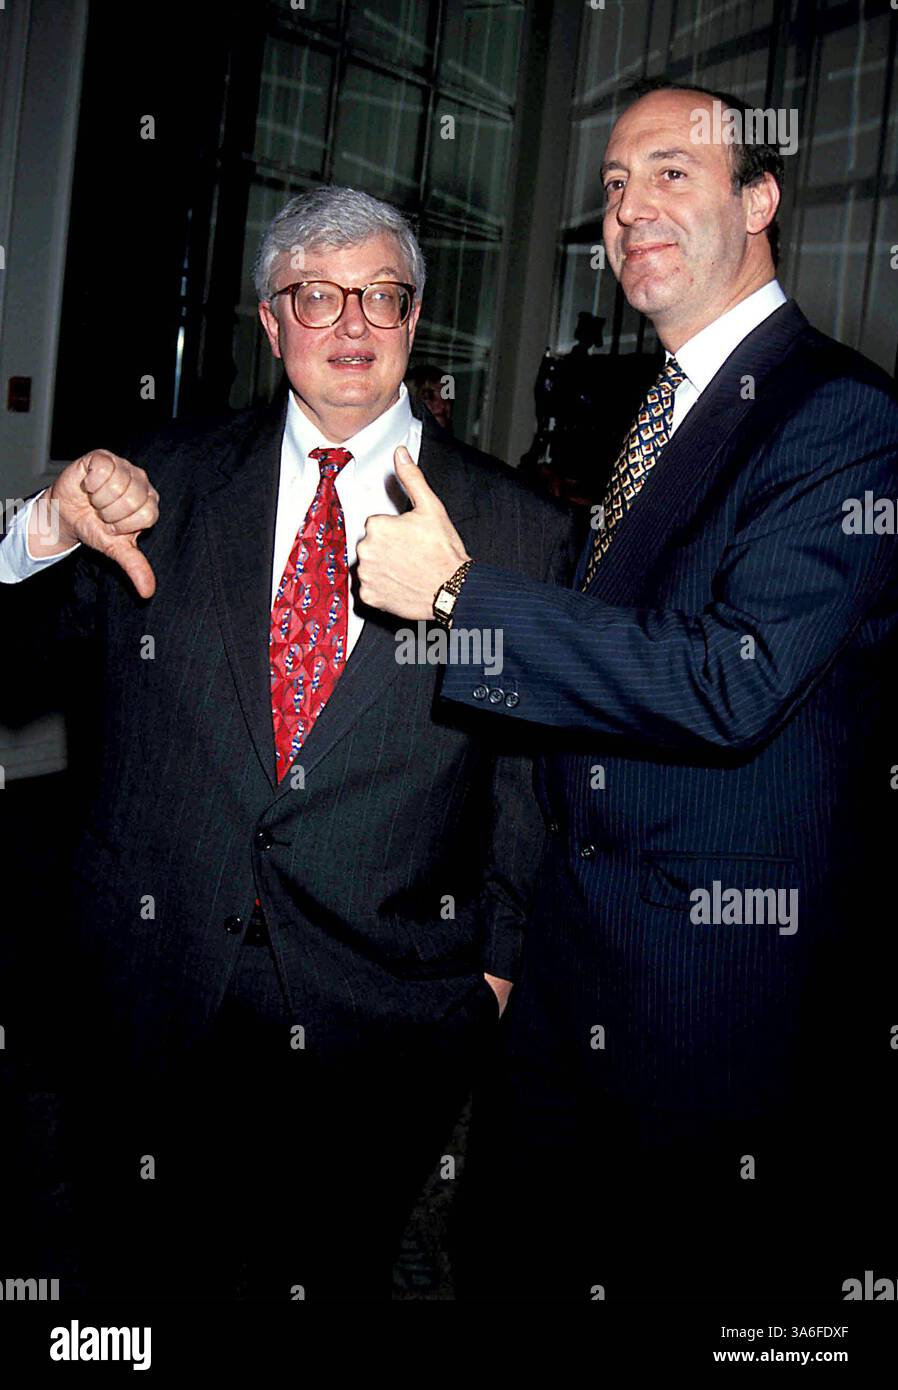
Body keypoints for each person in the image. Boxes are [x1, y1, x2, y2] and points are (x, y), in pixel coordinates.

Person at [356, 81, 898, 1300]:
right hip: (577, 978)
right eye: (611, 185)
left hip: (710, 1013)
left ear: (757, 199)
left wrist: (457, 600)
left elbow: (729, 679)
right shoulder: (658, 405)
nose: (627, 207)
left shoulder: (840, 417)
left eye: (670, 173)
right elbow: (602, 673)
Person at [0, 186, 574, 1301]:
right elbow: (15, 666)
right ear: (271, 322)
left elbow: (526, 780)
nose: (351, 325)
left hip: (379, 1016)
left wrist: (491, 974)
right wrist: (40, 527)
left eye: (381, 297)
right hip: (151, 989)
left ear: (414, 321)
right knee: (137, 1275)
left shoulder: (518, 530)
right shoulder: (149, 485)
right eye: (317, 296)